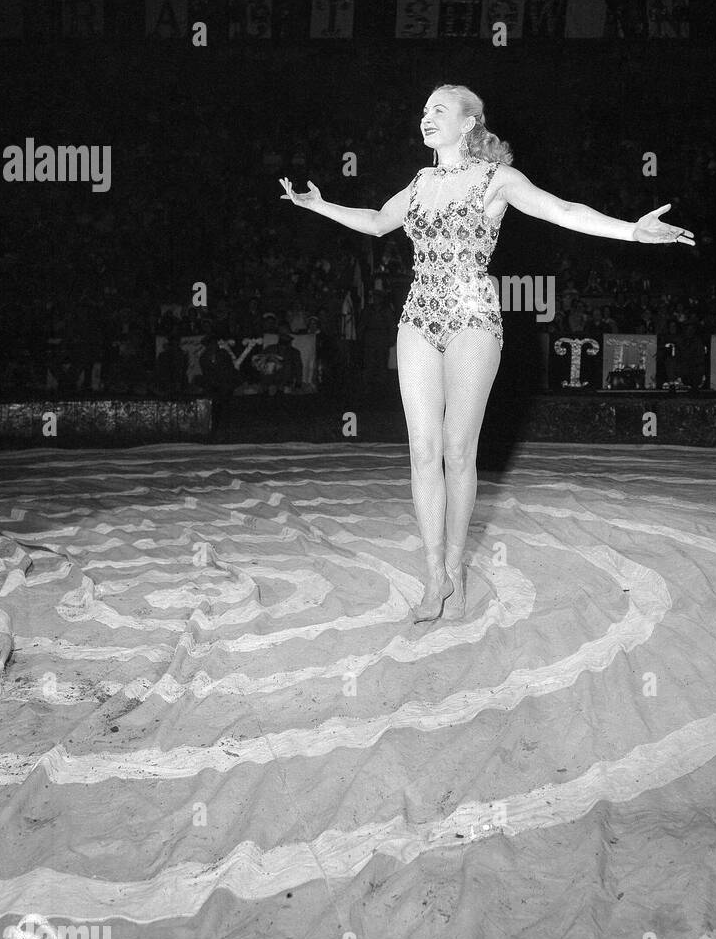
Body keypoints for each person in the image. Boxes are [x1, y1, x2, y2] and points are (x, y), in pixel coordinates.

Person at [280, 83, 694, 625]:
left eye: (439, 110)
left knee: (458, 448)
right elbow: (380, 222)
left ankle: (456, 562)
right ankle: (435, 576)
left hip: (473, 314)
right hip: (418, 318)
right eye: (425, 109)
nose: (426, 117)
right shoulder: (421, 181)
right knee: (423, 452)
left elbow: (564, 211)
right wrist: (320, 205)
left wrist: (634, 233)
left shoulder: (499, 179)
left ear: (469, 123)